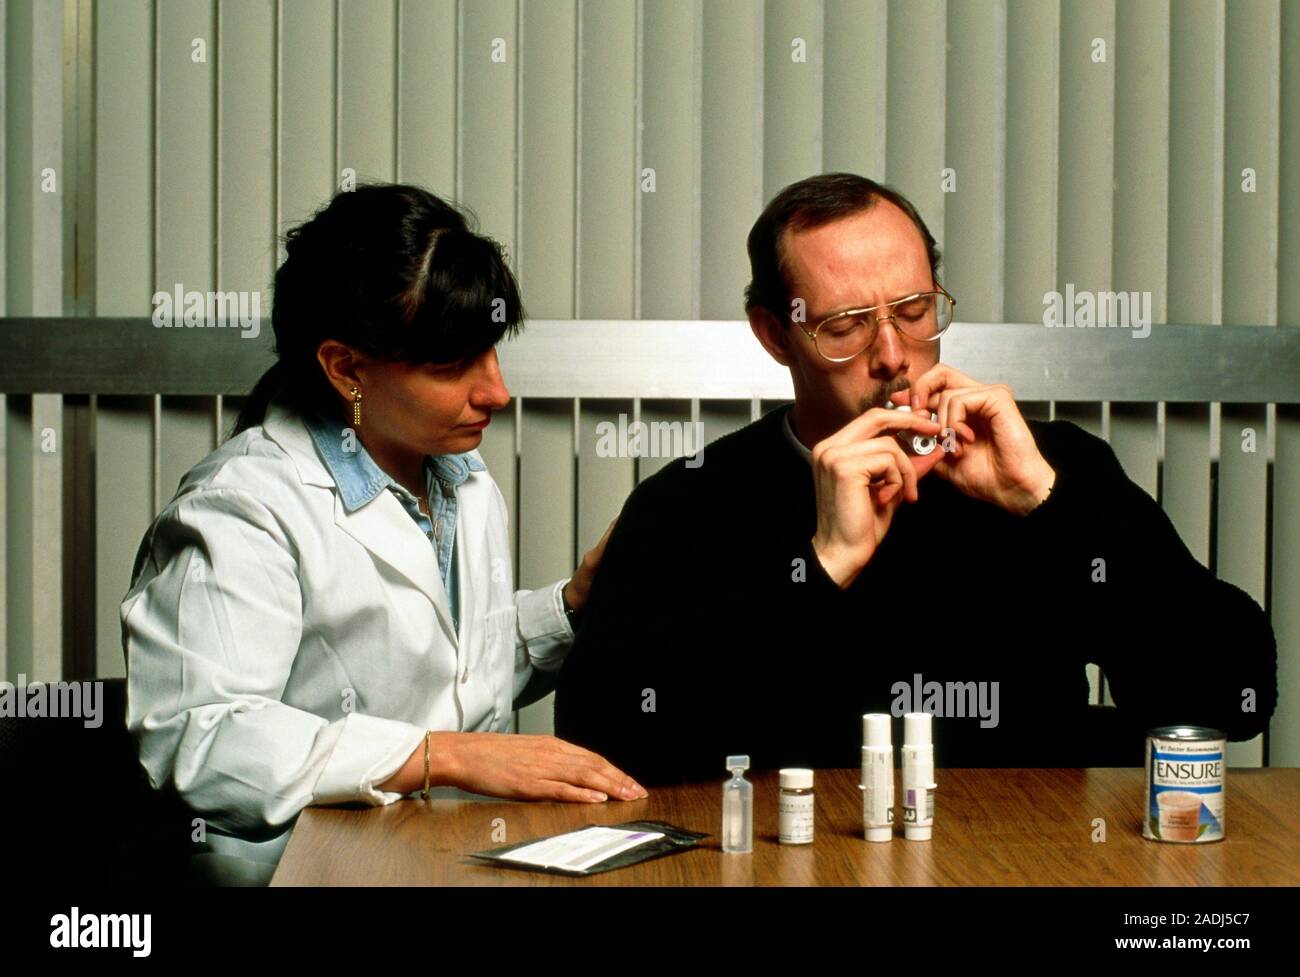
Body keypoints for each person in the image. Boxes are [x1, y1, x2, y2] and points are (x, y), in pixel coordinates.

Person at [554, 172, 1278, 783]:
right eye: (845, 327)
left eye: (915, 311)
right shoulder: (692, 500)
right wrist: (822, 565)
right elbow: (603, 745)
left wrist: (1047, 504)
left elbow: (1235, 697)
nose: (894, 354)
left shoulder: (1050, 467)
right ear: (775, 335)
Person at [122, 183, 645, 885]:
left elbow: (448, 673)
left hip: (438, 854)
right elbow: (198, 733)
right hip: (297, 871)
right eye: (452, 364)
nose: (496, 392)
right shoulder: (241, 506)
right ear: (346, 368)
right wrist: (442, 755)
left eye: (490, 350)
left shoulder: (459, 477)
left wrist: (573, 604)